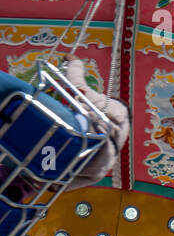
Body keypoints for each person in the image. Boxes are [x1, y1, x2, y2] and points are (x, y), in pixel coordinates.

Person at [0, 58, 130, 202]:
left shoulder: (119, 110)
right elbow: (60, 186)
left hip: (65, 130)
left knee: (17, 93)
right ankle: (17, 188)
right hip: (46, 162)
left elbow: (79, 90)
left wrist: (75, 63)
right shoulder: (104, 166)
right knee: (34, 172)